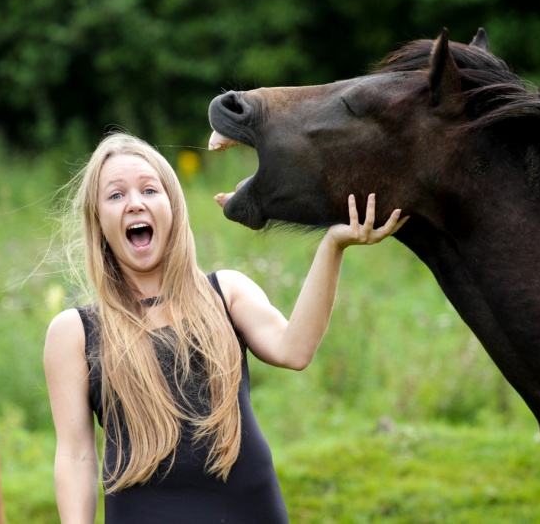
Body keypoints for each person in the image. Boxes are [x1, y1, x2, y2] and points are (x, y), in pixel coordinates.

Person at [44, 132, 407, 524]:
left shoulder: (226, 293)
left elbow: (294, 349)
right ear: (98, 222)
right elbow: (75, 455)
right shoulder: (75, 332)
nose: (134, 204)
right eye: (115, 196)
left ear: (173, 207)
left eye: (149, 190)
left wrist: (333, 245)